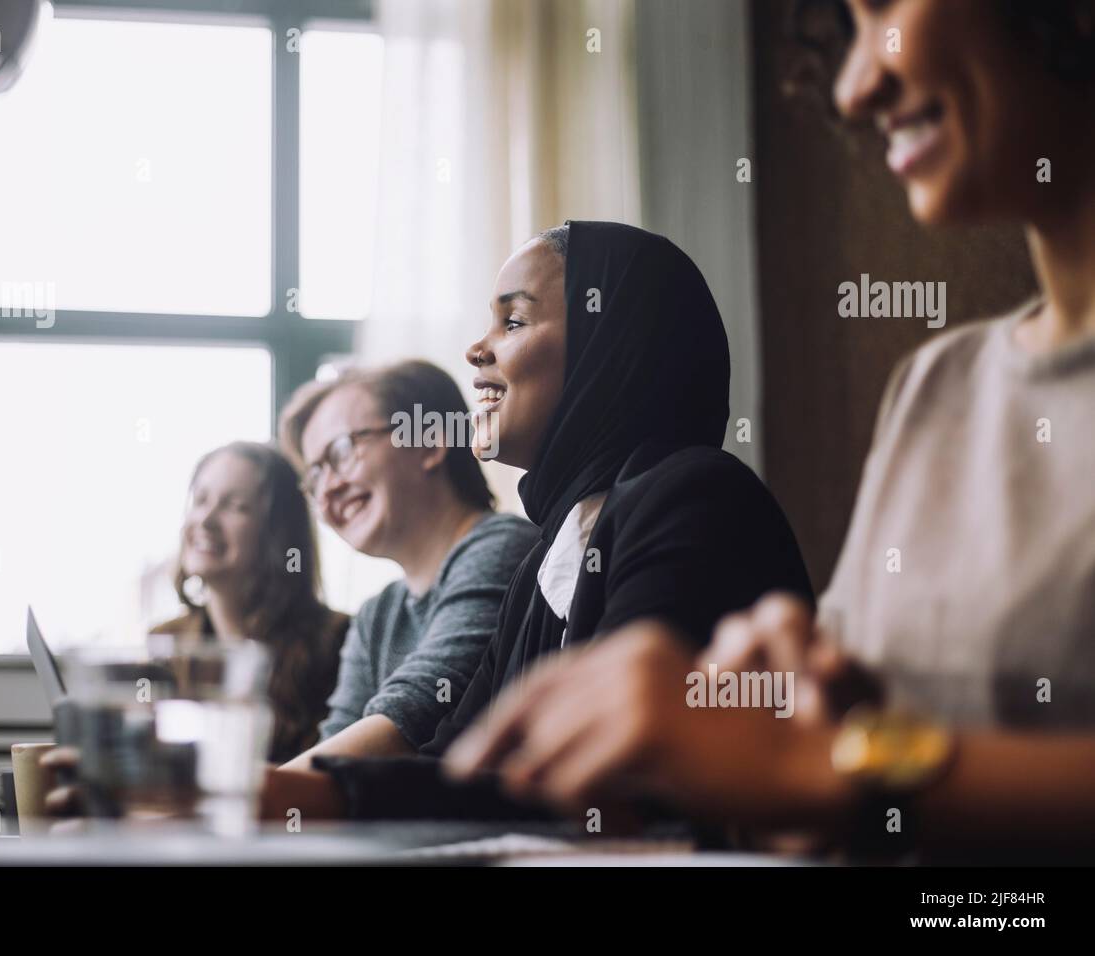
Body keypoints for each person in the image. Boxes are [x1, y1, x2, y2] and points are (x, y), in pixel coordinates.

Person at [446, 0, 1095, 859]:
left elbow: (838, 770)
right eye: (851, 29)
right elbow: (836, 741)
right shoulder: (939, 386)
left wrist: (839, 771)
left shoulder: (685, 497)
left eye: (888, 10)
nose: (857, 87)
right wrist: (782, 706)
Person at [260, 221, 814, 821]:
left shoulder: (693, 496)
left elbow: (608, 777)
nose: (477, 349)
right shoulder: (544, 562)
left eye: (514, 322)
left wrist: (310, 795)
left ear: (612, 344)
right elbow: (455, 761)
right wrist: (293, 794)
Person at [42, 441, 348, 814]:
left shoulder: (337, 640)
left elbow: (330, 787)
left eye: (234, 506)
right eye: (200, 500)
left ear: (277, 533)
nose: (205, 519)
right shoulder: (164, 643)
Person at [276, 360, 539, 767]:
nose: (327, 489)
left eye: (341, 453)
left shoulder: (504, 546)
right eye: (314, 476)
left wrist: (245, 799)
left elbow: (412, 717)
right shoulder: (376, 615)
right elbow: (334, 750)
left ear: (430, 441)